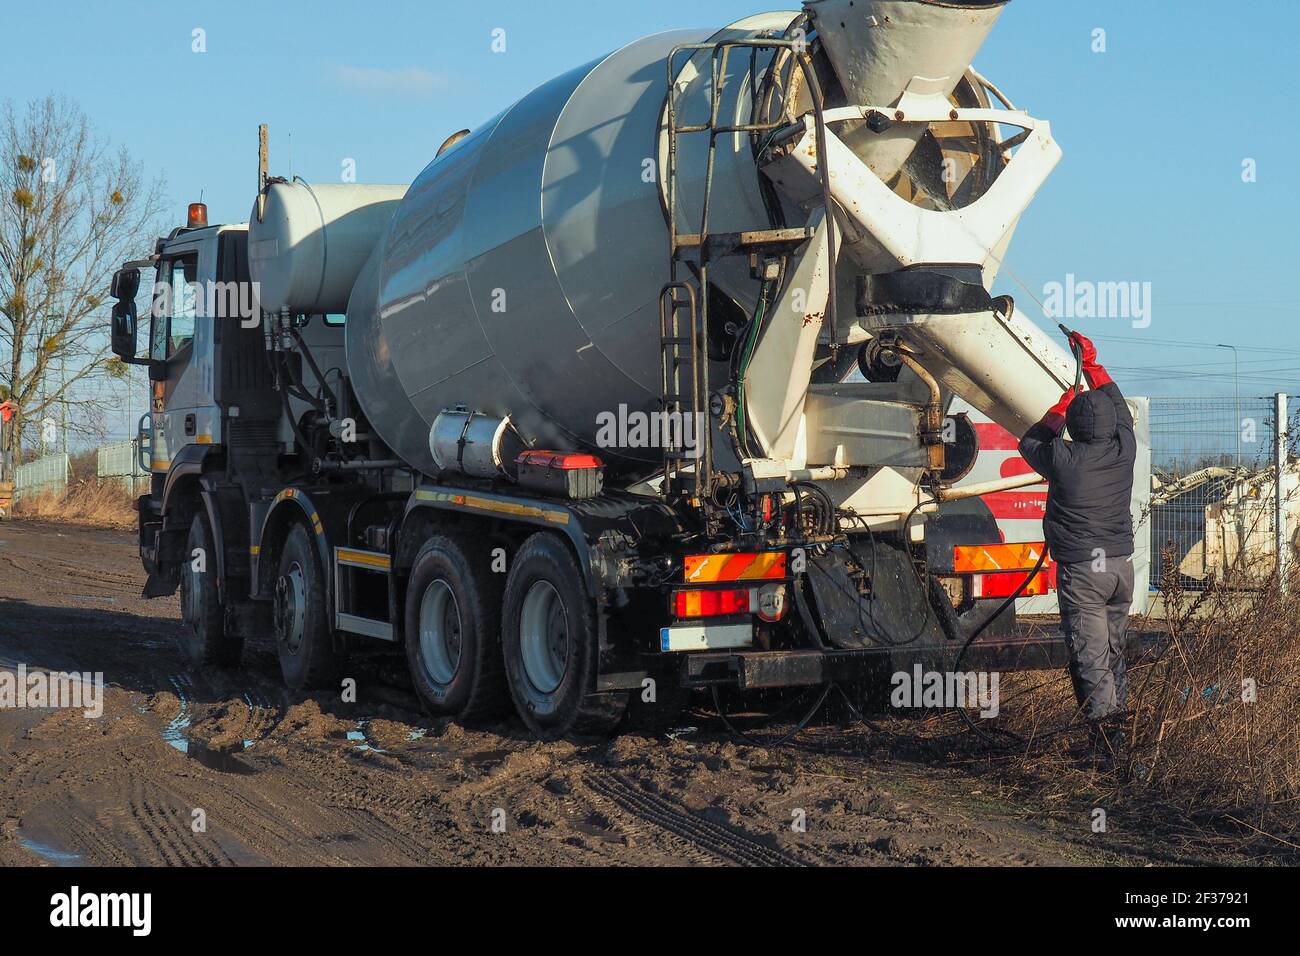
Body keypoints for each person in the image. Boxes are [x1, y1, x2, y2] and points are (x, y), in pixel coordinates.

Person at [1018, 333, 1136, 749]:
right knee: (1113, 651)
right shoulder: (1125, 450)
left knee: (1091, 657)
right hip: (1120, 568)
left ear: (1072, 427)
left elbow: (1029, 442)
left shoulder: (1063, 459)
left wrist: (1059, 408)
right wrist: (1093, 363)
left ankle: (1108, 745)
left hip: (1084, 571)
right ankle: (1121, 730)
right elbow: (1119, 408)